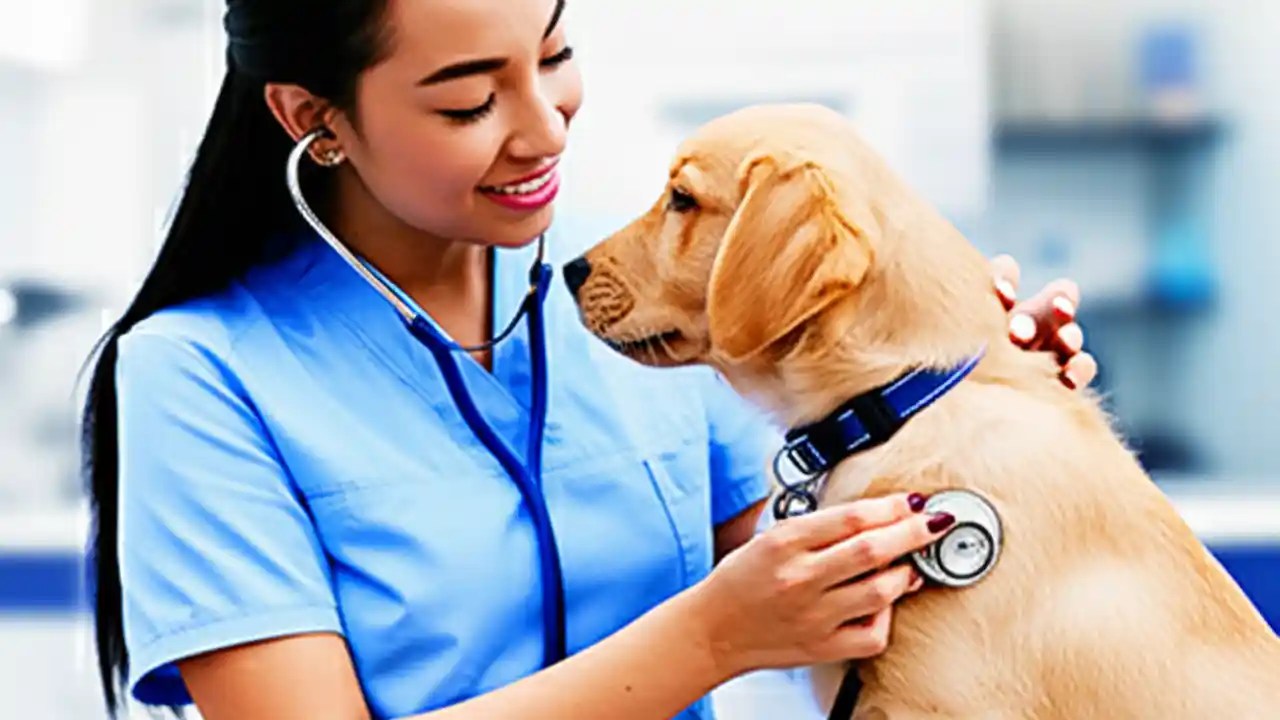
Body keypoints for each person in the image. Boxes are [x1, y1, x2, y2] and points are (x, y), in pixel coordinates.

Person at [79, 1, 1097, 718]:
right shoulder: (198, 375)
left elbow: (830, 575)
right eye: (468, 102)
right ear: (314, 119)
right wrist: (709, 638)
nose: (542, 128)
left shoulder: (623, 295)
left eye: (554, 53)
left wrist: (960, 419)